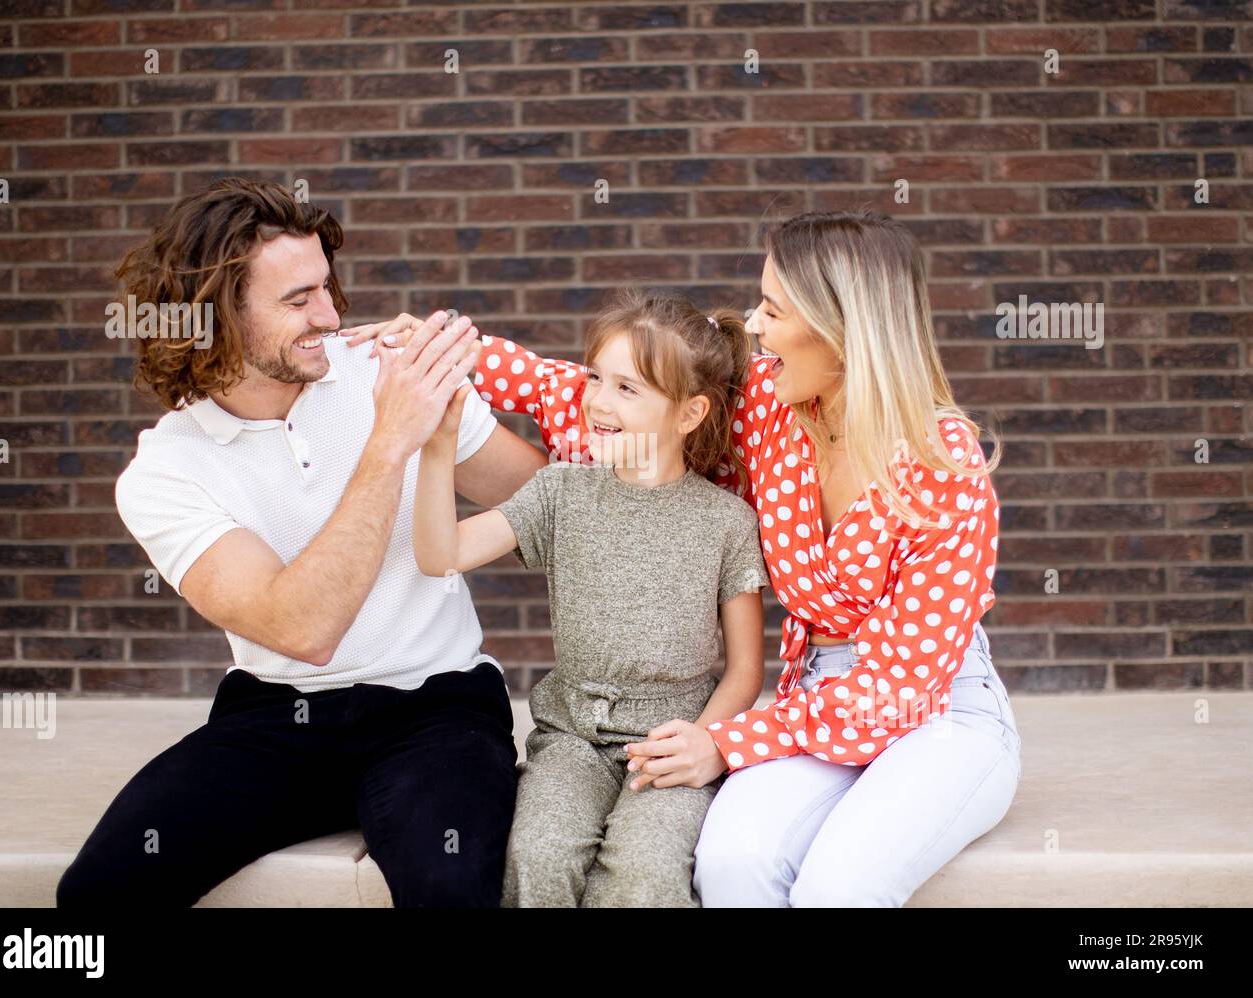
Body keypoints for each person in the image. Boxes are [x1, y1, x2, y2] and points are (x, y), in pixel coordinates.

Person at [453, 209, 1022, 907]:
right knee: (729, 863)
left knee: (838, 887)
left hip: (938, 709)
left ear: (842, 328)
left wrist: (727, 740)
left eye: (774, 310)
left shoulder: (944, 462)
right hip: (814, 694)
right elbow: (601, 391)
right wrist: (447, 352)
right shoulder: (772, 411)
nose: (753, 324)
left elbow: (895, 690)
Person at [55, 177, 549, 908]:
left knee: (450, 886)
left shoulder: (390, 374)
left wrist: (536, 388)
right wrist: (391, 440)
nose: (331, 313)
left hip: (437, 707)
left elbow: (551, 509)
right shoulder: (165, 470)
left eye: (326, 286)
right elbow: (304, 630)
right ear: (218, 317)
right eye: (297, 300)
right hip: (277, 714)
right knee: (98, 895)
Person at [413, 290, 770, 907]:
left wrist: (704, 740)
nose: (599, 402)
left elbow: (745, 670)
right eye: (596, 377)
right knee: (537, 855)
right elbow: (440, 555)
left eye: (628, 389)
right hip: (571, 736)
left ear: (690, 414)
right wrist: (438, 445)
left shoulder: (727, 522)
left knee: (644, 869)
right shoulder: (558, 494)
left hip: (671, 738)